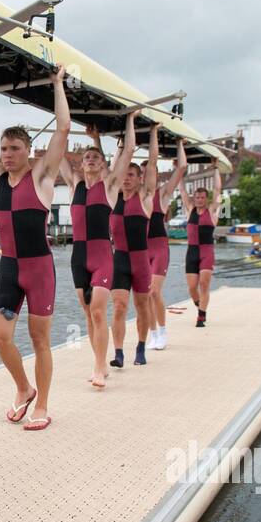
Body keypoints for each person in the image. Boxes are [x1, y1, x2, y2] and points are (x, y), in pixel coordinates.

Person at [0, 63, 69, 430]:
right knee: (1, 337)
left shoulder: (42, 176)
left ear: (28, 149)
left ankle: (43, 407)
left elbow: (63, 129)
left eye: (14, 148)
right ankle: (24, 389)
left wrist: (57, 84)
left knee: (40, 341)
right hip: (8, 269)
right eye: (4, 148)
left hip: (39, 270)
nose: (6, 154)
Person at [59, 113, 136, 387]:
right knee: (88, 313)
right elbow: (58, 150)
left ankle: (100, 366)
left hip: (103, 255)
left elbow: (127, 150)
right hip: (78, 257)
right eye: (86, 158)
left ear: (103, 164)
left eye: (95, 157)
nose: (90, 160)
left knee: (99, 312)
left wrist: (130, 120)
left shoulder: (111, 186)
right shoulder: (73, 185)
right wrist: (63, 126)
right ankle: (99, 361)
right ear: (81, 164)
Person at [108, 119, 158, 367]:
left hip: (140, 260)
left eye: (131, 175)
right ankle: (118, 353)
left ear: (140, 179)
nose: (126, 178)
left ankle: (140, 347)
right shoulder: (113, 197)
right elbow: (112, 167)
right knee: (119, 305)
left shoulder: (146, 199)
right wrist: (109, 142)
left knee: (142, 305)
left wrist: (153, 133)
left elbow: (154, 164)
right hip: (119, 259)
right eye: (124, 174)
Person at [145, 133, 185, 352]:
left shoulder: (162, 195)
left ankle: (162, 330)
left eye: (148, 173)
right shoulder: (133, 194)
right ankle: (153, 334)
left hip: (159, 247)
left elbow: (180, 170)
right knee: (144, 295)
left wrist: (179, 145)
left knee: (154, 292)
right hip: (141, 249)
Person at [176, 155, 222, 328]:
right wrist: (179, 169)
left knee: (204, 284)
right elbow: (181, 190)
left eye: (202, 197)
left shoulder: (212, 211)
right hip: (192, 252)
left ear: (206, 199)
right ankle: (200, 305)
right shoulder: (190, 209)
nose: (199, 200)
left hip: (206, 252)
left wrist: (215, 168)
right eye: (197, 197)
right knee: (192, 288)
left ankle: (201, 316)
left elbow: (218, 190)